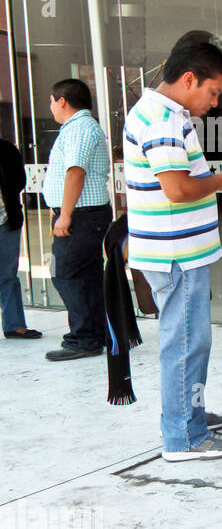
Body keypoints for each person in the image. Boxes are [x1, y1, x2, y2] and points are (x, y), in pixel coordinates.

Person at [124, 41, 222, 461]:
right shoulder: (162, 120)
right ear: (189, 79)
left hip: (178, 251)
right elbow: (177, 189)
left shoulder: (162, 114)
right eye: (213, 92)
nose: (214, 103)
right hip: (175, 254)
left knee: (190, 342)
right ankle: (184, 436)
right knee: (185, 344)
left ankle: (189, 413)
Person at [42, 79, 112, 361]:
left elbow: (75, 172)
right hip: (83, 215)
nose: (50, 107)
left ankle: (84, 338)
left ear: (62, 101)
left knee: (65, 273)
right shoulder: (77, 128)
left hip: (80, 216)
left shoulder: (80, 128)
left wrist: (66, 214)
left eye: (50, 101)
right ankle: (97, 334)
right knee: (87, 276)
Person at [0, 134, 39, 340]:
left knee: (8, 275)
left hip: (6, 220)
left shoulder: (7, 149)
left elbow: (19, 181)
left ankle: (14, 326)